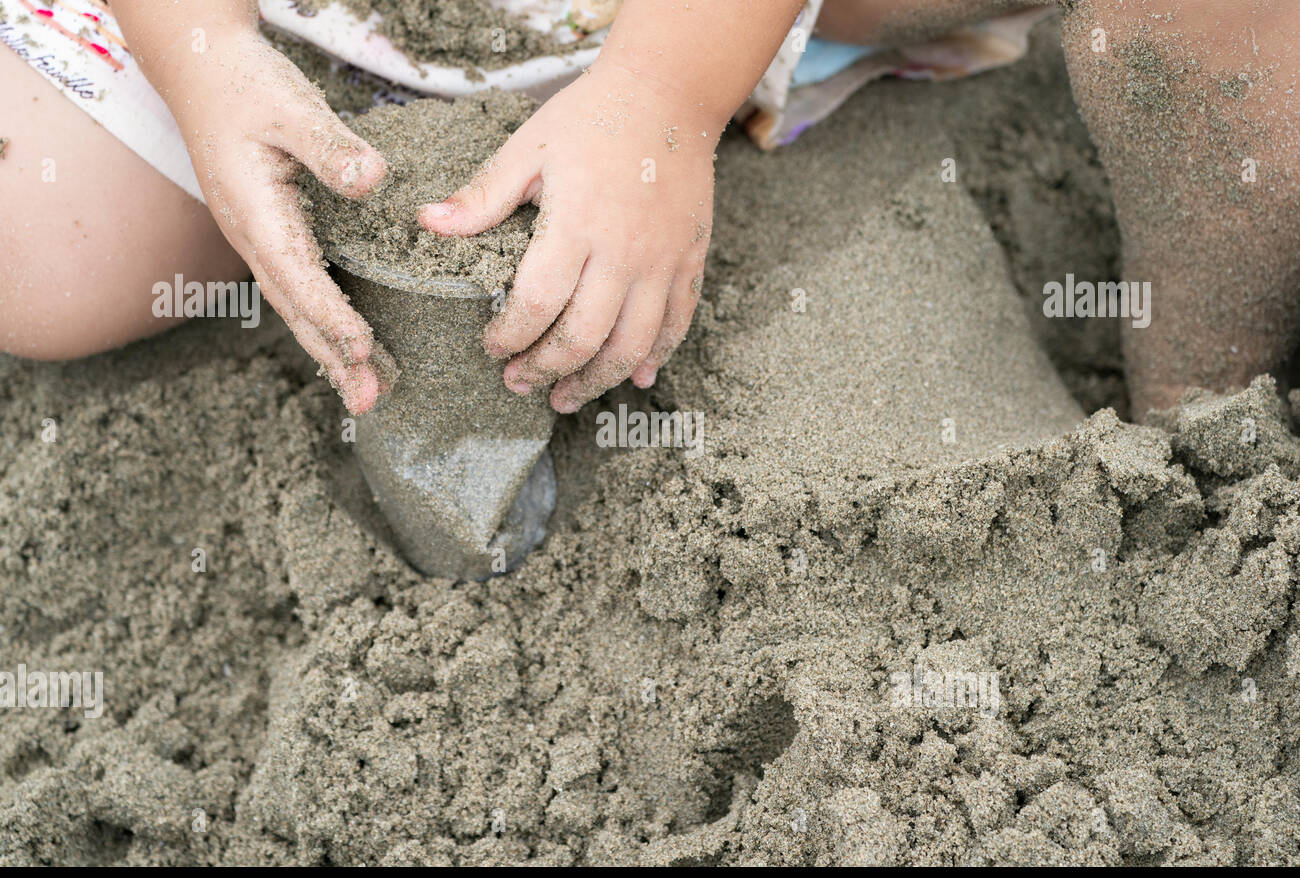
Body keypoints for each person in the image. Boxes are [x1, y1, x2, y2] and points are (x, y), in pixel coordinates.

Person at [3, 1, 1296, 419]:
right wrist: (200, 56)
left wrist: (663, 95)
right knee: (44, 260)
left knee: (1219, 28)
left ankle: (1205, 415)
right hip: (304, 18)